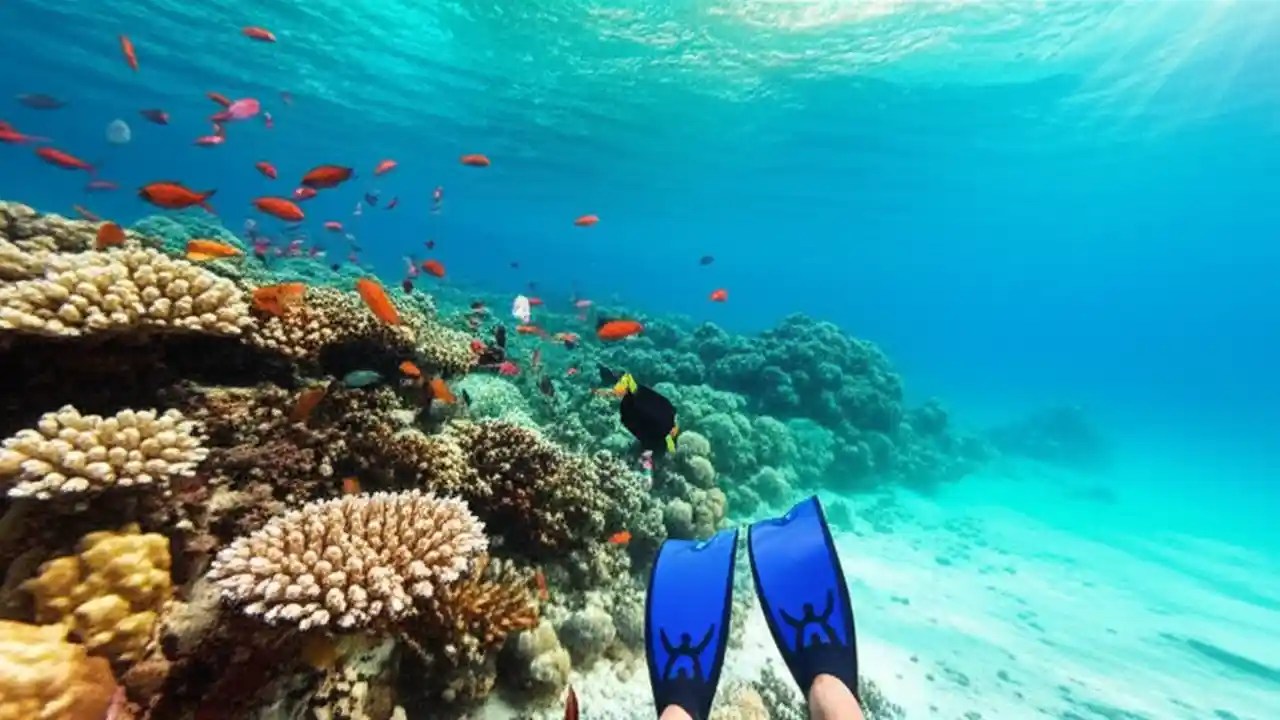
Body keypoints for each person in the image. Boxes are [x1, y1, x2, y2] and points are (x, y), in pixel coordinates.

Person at [645, 496, 866, 720]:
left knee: (677, 711)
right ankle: (829, 683)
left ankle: (680, 706)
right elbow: (794, 619)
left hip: (682, 662)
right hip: (820, 634)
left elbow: (791, 620)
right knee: (828, 688)